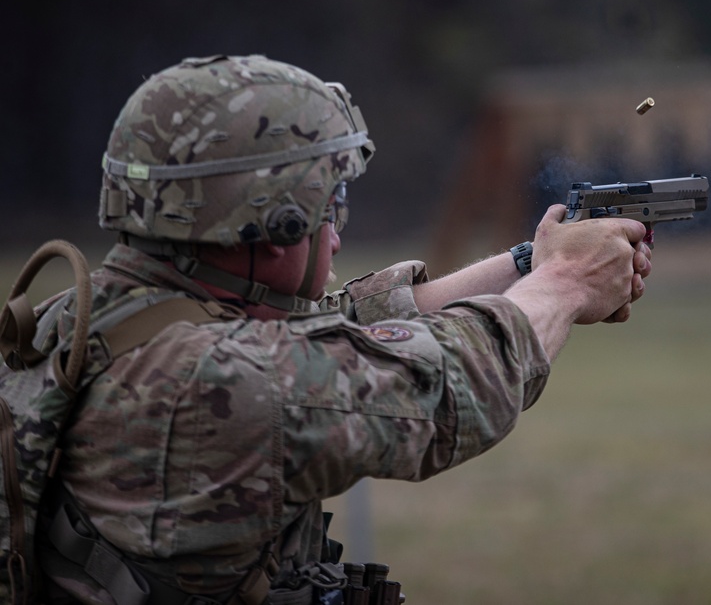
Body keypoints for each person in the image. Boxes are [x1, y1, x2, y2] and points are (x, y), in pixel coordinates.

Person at [36, 54, 652, 602]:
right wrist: (568, 282)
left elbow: (334, 330)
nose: (335, 231)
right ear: (272, 226)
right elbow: (446, 384)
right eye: (327, 208)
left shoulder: (93, 317)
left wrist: (533, 260)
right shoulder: (218, 383)